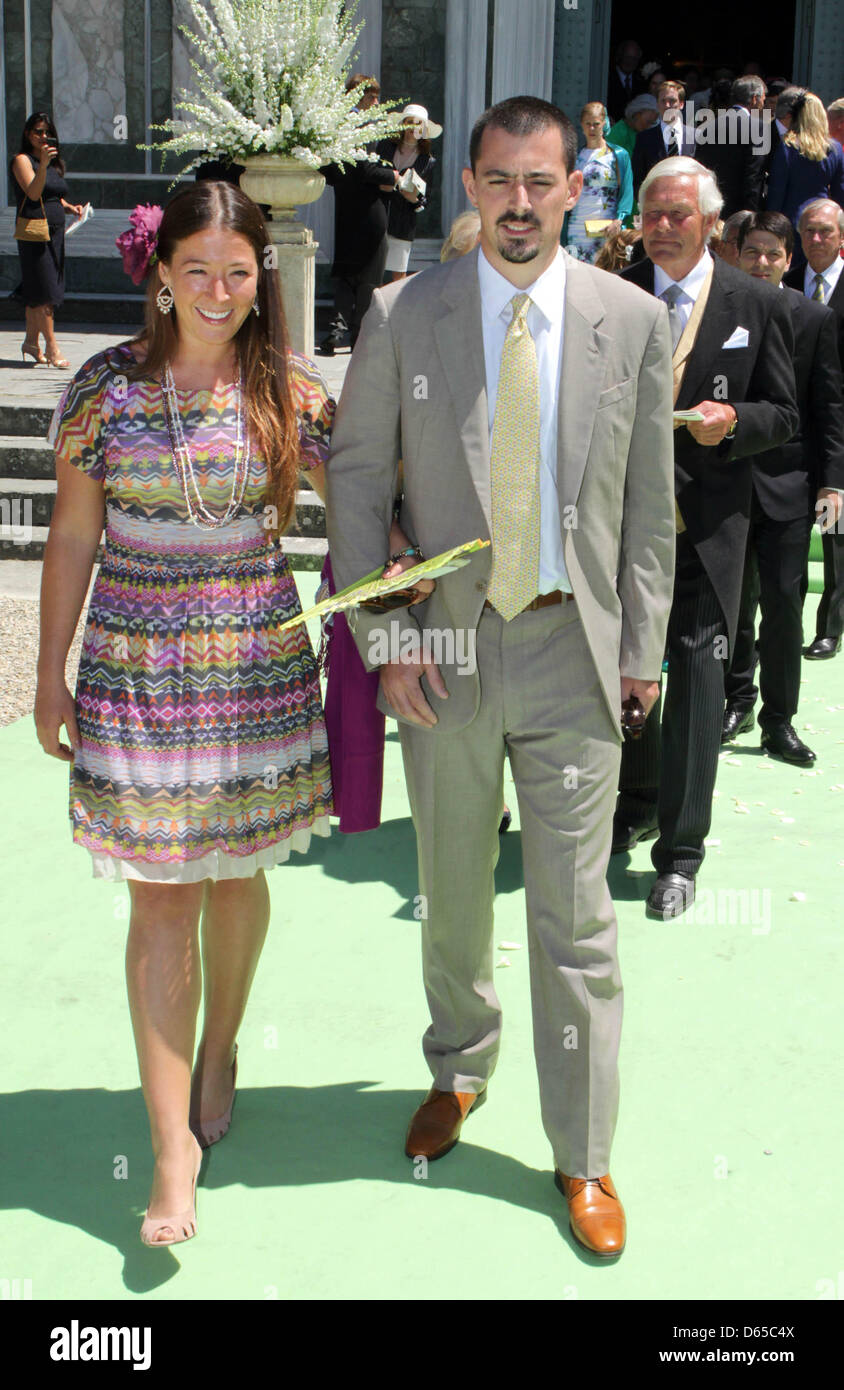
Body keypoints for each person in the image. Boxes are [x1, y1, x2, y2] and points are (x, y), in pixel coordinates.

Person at [326, 95, 677, 1258]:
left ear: (577, 189)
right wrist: (385, 642)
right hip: (444, 650)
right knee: (454, 896)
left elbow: (646, 508)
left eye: (542, 183)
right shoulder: (400, 314)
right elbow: (360, 474)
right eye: (498, 181)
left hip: (574, 656)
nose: (519, 205)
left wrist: (641, 650)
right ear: (469, 185)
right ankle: (458, 1071)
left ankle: (583, 1154)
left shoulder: (628, 322)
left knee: (579, 926)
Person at [34, 181, 334, 1247]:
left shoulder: (292, 393)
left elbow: (378, 495)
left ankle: (221, 1045)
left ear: (265, 281)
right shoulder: (102, 391)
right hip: (131, 670)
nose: (215, 291)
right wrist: (46, 670)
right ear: (160, 271)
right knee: (159, 901)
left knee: (236, 878)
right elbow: (71, 536)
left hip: (256, 669)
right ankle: (169, 1151)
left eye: (237, 273)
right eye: (197, 270)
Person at [614, 157, 799, 920]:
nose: (661, 227)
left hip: (708, 529)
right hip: (617, 530)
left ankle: (681, 852)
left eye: (678, 215)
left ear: (711, 225)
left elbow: (784, 415)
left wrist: (736, 424)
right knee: (617, 680)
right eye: (651, 213)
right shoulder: (608, 296)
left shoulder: (756, 305)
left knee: (694, 682)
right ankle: (637, 801)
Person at [723, 211, 844, 762]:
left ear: (788, 260)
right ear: (737, 256)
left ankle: (779, 721)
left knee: (782, 607)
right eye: (753, 252)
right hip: (725, 485)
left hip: (792, 488)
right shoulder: (717, 311)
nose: (763, 263)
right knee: (730, 607)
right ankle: (736, 700)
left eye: (773, 253)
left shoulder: (815, 318)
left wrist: (833, 484)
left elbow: (829, 406)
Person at [784, 198, 844, 659]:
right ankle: (786, 627)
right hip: (795, 431)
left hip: (837, 438)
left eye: (825, 231)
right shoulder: (785, 286)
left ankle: (830, 626)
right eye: (809, 231)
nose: (816, 239)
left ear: (841, 236)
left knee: (835, 532)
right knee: (794, 533)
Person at [317, 75, 398, 355]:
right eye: (371, 96)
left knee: (346, 270)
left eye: (377, 96)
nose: (376, 102)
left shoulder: (337, 126)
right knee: (368, 271)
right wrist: (394, 176)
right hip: (367, 208)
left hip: (346, 207)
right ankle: (357, 335)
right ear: (356, 96)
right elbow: (366, 169)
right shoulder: (360, 126)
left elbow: (329, 171)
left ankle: (336, 330)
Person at [10, 112, 83, 367]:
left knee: (37, 288)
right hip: (34, 234)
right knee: (46, 291)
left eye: (46, 132)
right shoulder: (23, 160)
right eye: (37, 132)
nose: (43, 137)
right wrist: (41, 164)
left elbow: (52, 195)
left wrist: (69, 207)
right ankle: (52, 347)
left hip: (55, 232)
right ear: (28, 135)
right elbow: (32, 192)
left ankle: (31, 342)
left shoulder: (50, 162)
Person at [767, 91, 844, 267]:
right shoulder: (835, 149)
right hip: (824, 220)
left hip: (792, 221)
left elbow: (777, 192)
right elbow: (840, 194)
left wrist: (771, 225)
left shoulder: (787, 147)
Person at [376, 104, 440, 282]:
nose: (413, 127)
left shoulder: (427, 161)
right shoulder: (385, 147)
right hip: (378, 217)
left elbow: (425, 200)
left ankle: (397, 310)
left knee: (398, 274)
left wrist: (415, 200)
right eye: (409, 122)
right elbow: (371, 174)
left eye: (418, 123)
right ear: (403, 124)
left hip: (403, 222)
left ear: (424, 129)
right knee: (374, 272)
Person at [564, 102, 633, 263]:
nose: (592, 129)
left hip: (607, 226)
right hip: (577, 227)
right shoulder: (575, 157)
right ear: (581, 125)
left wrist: (619, 219)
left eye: (596, 124)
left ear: (604, 123)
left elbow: (626, 191)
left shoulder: (618, 155)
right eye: (588, 124)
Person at [696, 77, 767, 219]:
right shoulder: (758, 127)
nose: (763, 104)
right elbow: (753, 177)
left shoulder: (709, 127)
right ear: (754, 99)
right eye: (763, 99)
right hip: (740, 212)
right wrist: (751, 216)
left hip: (711, 209)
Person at [632, 83, 696, 195]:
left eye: (672, 101)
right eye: (663, 101)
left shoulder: (696, 136)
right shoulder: (644, 139)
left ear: (681, 104)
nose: (667, 105)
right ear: (657, 104)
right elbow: (637, 179)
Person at [607, 93, 658, 159]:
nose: (648, 126)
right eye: (647, 122)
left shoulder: (644, 135)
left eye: (652, 123)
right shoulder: (617, 133)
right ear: (636, 114)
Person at [607, 39, 645, 123]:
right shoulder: (607, 78)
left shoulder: (641, 82)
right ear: (620, 56)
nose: (630, 62)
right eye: (627, 57)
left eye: (634, 59)